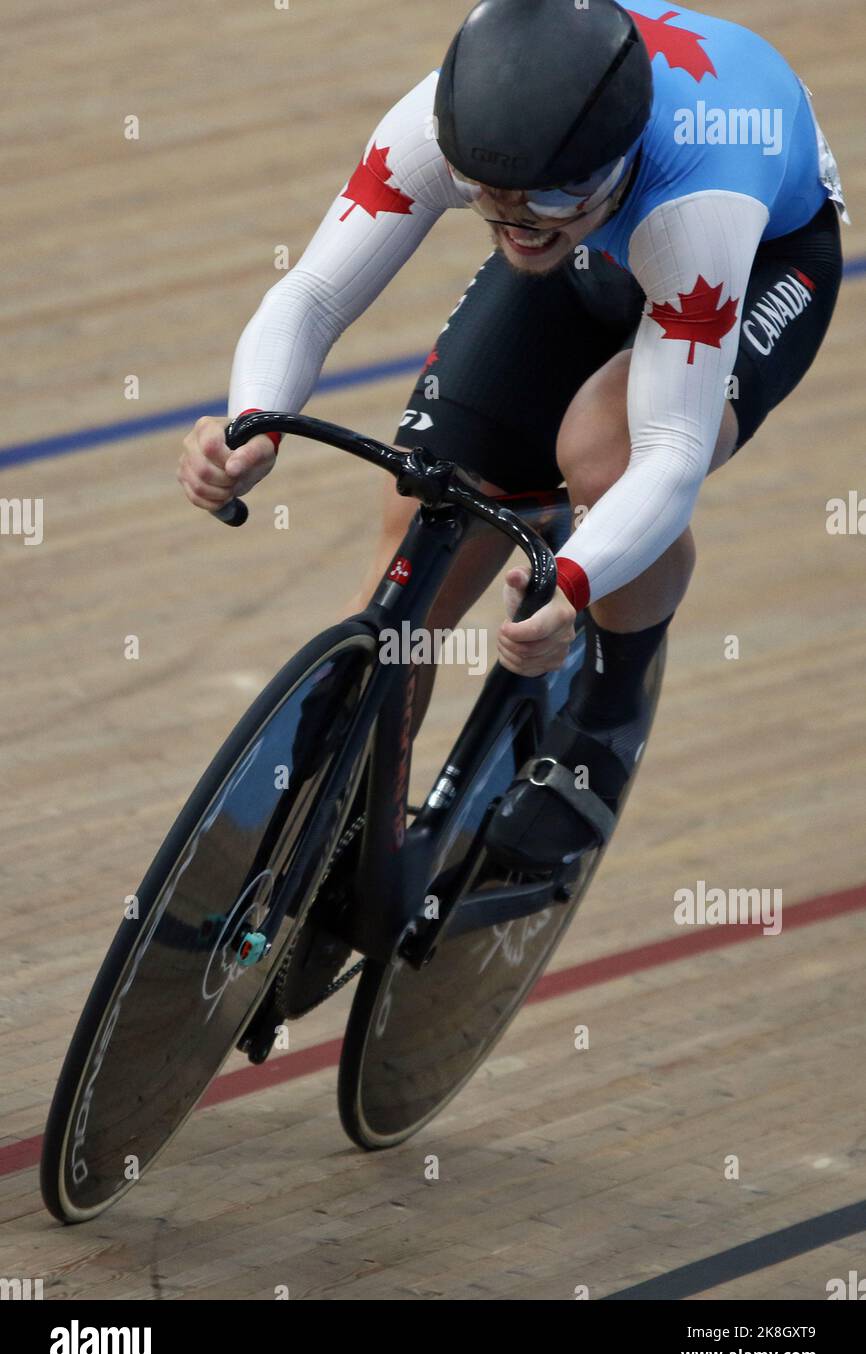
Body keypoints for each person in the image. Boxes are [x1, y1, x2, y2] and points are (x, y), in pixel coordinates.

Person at [178, 0, 846, 872]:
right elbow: (310, 296)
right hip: (594, 247)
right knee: (429, 495)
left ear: (613, 160)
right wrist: (251, 423)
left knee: (605, 449)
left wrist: (573, 582)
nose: (517, 219)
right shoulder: (448, 131)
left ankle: (607, 713)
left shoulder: (699, 203)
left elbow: (671, 453)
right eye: (489, 195)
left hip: (764, 258)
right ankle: (348, 822)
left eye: (549, 195)